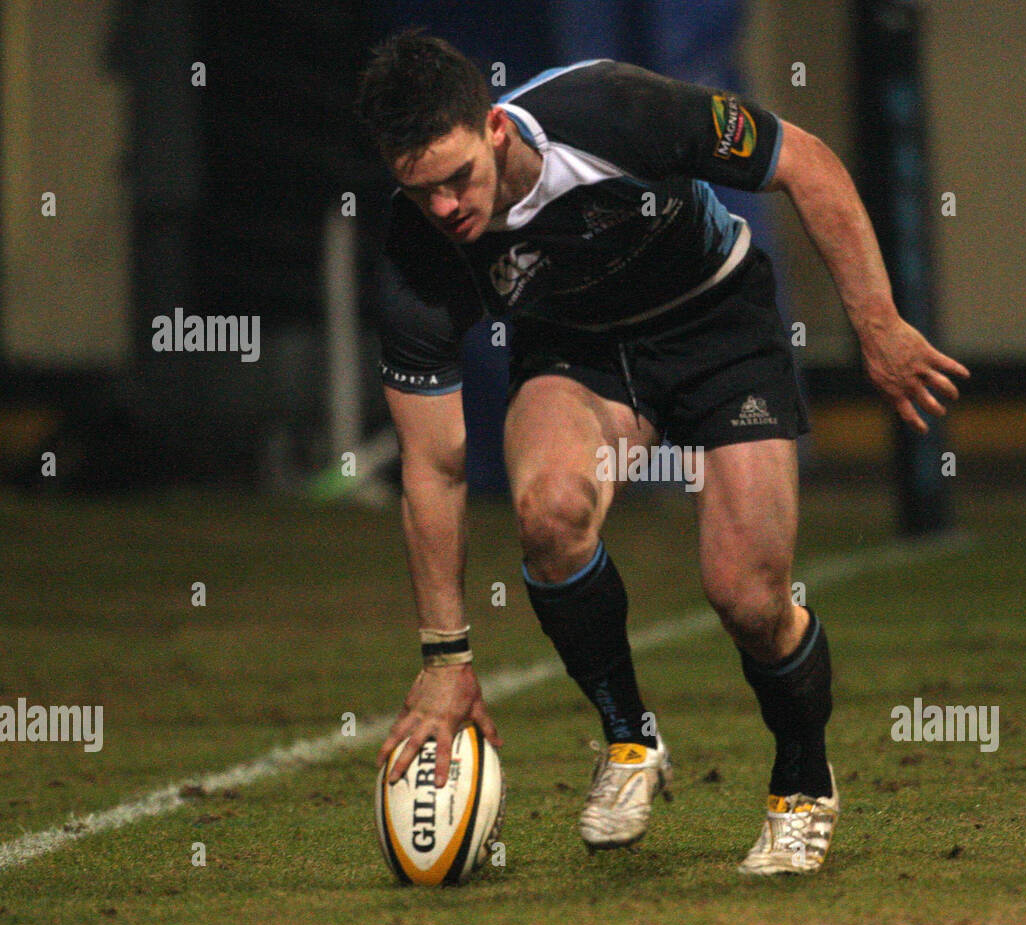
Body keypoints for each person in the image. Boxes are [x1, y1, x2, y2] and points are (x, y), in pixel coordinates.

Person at [357, 29, 968, 874]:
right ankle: (628, 738)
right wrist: (444, 657)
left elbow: (807, 161)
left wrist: (879, 325)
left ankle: (802, 783)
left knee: (749, 598)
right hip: (581, 353)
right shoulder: (415, 247)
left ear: (495, 128)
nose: (445, 208)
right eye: (418, 191)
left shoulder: (613, 109)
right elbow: (432, 463)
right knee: (549, 513)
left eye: (457, 178)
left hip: (719, 327)